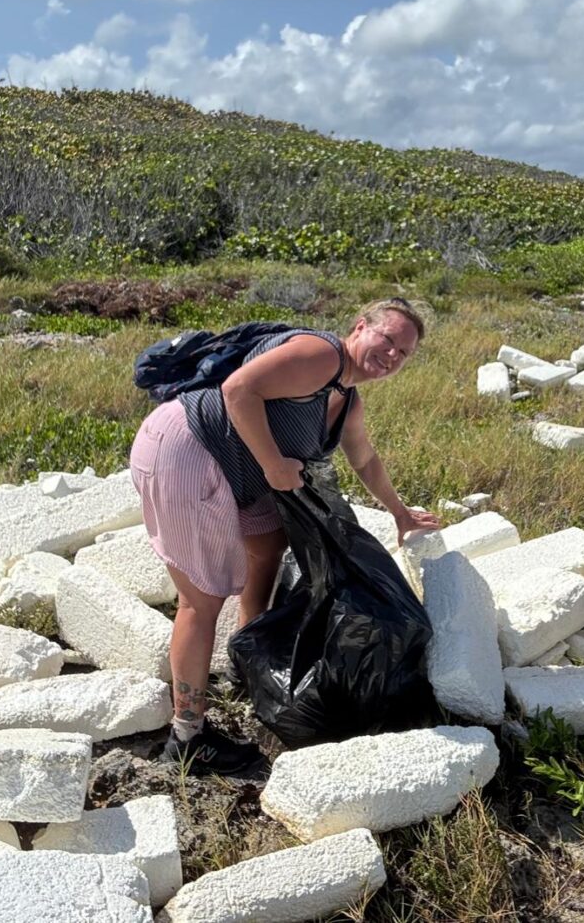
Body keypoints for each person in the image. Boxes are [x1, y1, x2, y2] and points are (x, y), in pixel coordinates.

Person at [130, 299, 440, 774]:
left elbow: (364, 458)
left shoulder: (347, 399)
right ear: (360, 327)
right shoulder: (321, 355)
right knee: (200, 600)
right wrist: (274, 465)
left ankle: (246, 655)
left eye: (405, 352)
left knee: (270, 542)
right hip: (186, 451)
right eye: (388, 339)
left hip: (234, 469)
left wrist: (399, 513)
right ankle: (188, 736)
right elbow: (238, 390)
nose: (393, 355)